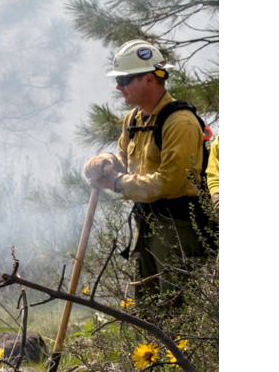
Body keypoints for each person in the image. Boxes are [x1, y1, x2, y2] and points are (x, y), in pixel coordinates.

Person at [83, 40, 211, 307]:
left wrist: (118, 182)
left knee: (176, 306)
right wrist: (106, 162)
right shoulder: (133, 120)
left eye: (124, 79)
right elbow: (124, 163)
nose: (118, 87)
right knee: (148, 306)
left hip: (178, 227)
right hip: (147, 223)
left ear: (150, 80)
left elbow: (169, 182)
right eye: (118, 80)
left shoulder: (180, 122)